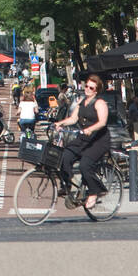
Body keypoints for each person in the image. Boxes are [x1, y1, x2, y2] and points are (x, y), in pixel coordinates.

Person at [53, 74, 111, 209]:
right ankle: (67, 184)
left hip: (98, 141)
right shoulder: (81, 102)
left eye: (91, 88)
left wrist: (90, 129)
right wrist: (60, 123)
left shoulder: (100, 103)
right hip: (84, 139)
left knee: (85, 165)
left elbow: (102, 122)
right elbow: (73, 119)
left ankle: (95, 192)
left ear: (96, 90)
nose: (88, 89)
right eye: (87, 86)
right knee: (65, 155)